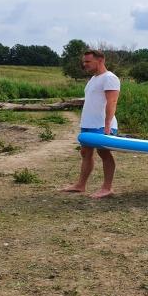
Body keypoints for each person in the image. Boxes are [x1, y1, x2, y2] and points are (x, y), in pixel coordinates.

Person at [59, 49, 120, 198]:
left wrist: (107, 126)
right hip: (88, 124)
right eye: (84, 61)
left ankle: (107, 188)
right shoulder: (93, 79)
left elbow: (112, 102)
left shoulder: (110, 78)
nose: (84, 64)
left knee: (104, 153)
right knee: (85, 153)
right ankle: (80, 185)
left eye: (87, 61)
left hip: (102, 125)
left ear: (100, 60)